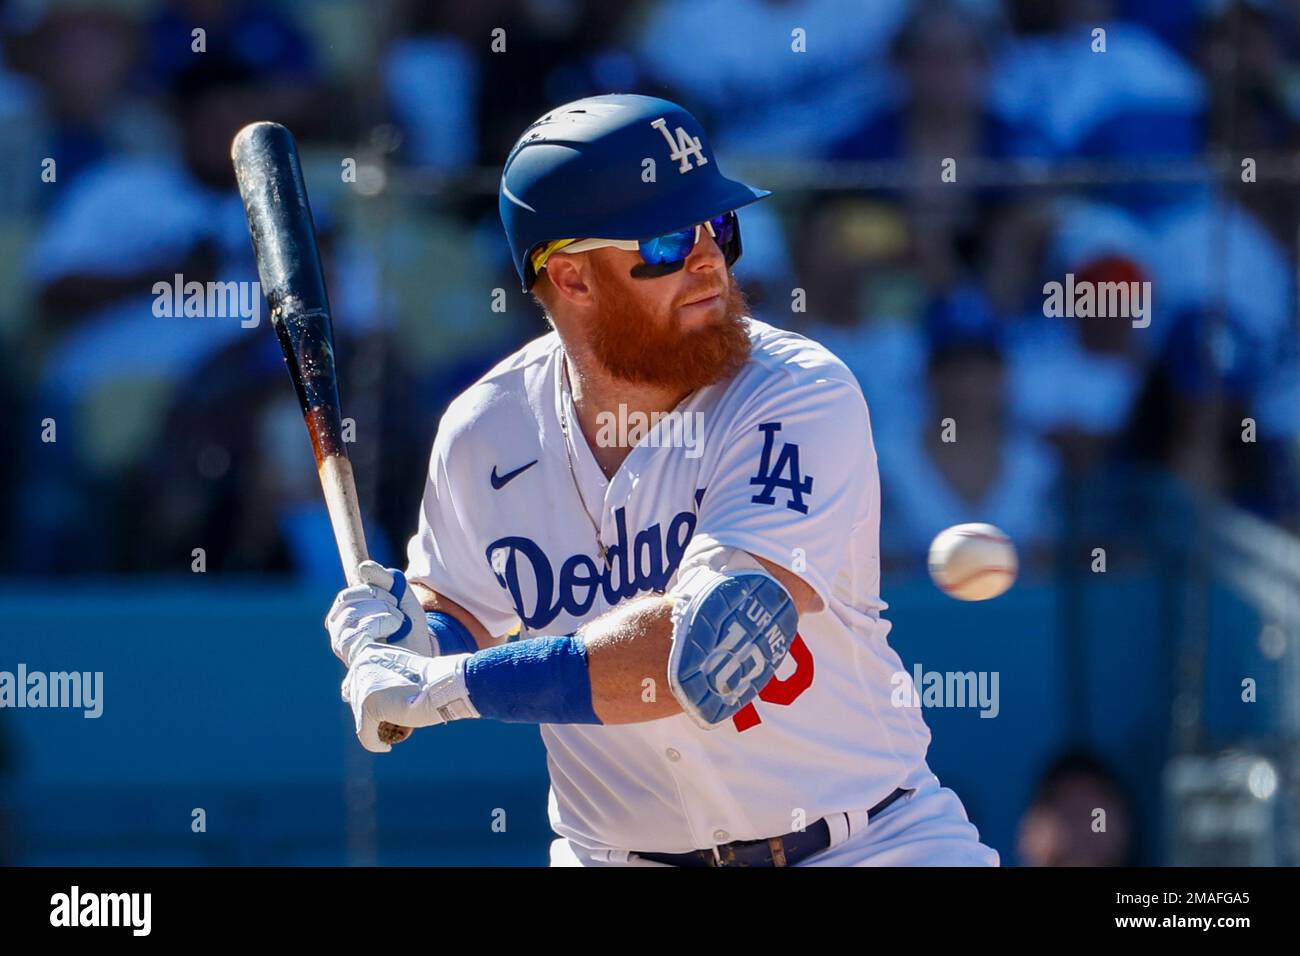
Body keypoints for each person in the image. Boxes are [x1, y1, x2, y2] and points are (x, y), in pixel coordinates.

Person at [326, 94, 997, 867]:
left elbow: (705, 649)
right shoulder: (485, 432)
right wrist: (404, 639)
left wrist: (440, 687)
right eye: (670, 239)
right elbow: (461, 609)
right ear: (572, 277)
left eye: (719, 227)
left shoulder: (798, 391)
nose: (710, 258)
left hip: (865, 843)